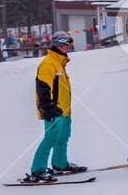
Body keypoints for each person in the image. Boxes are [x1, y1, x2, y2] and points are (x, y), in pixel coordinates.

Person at [23, 32, 84, 182]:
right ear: (57, 45)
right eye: (65, 45)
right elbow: (43, 87)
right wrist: (47, 108)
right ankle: (37, 170)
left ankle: (60, 164)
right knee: (50, 139)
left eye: (68, 45)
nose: (67, 48)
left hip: (63, 110)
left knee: (63, 137)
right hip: (53, 110)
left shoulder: (59, 62)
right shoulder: (48, 63)